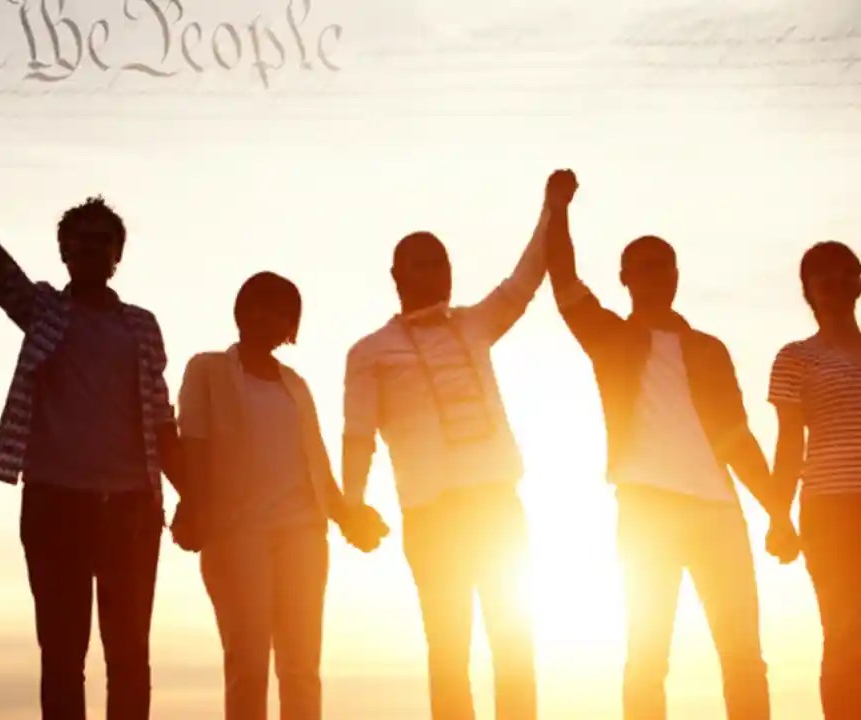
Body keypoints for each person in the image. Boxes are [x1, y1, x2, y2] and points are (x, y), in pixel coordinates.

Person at [0, 118, 183, 720]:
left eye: (104, 240)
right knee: (62, 654)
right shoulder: (44, 310)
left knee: (129, 655)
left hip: (131, 508)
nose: (92, 249)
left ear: (117, 254)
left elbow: (162, 419)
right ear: (65, 250)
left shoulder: (141, 326)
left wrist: (194, 498)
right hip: (55, 504)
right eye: (81, 239)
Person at [546, 170, 793, 720]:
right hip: (647, 512)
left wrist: (779, 511)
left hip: (719, 515)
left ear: (677, 275)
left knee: (744, 660)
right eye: (645, 266)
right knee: (647, 658)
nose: (657, 275)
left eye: (665, 265)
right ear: (625, 278)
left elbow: (737, 437)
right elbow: (561, 276)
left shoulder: (709, 350)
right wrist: (556, 205)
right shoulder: (610, 338)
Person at [341, 174, 557, 720]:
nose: (438, 271)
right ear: (396, 275)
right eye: (423, 262)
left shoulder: (474, 324)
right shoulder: (371, 351)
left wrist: (552, 208)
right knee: (449, 652)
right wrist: (353, 506)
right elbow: (358, 435)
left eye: (442, 261)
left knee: (515, 648)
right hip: (433, 517)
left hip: (499, 508)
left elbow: (526, 280)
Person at [172, 272, 386, 720]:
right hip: (236, 534)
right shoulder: (206, 369)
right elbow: (193, 442)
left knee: (302, 669)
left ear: (292, 324)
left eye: (281, 311)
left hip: (303, 535)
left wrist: (349, 517)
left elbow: (317, 465)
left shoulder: (296, 384)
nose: (267, 317)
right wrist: (190, 506)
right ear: (240, 311)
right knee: (248, 664)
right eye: (258, 306)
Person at [768, 241, 861, 719]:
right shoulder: (796, 358)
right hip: (829, 507)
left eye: (847, 272)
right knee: (845, 632)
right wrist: (778, 516)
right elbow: (788, 445)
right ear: (808, 289)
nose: (836, 283)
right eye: (823, 276)